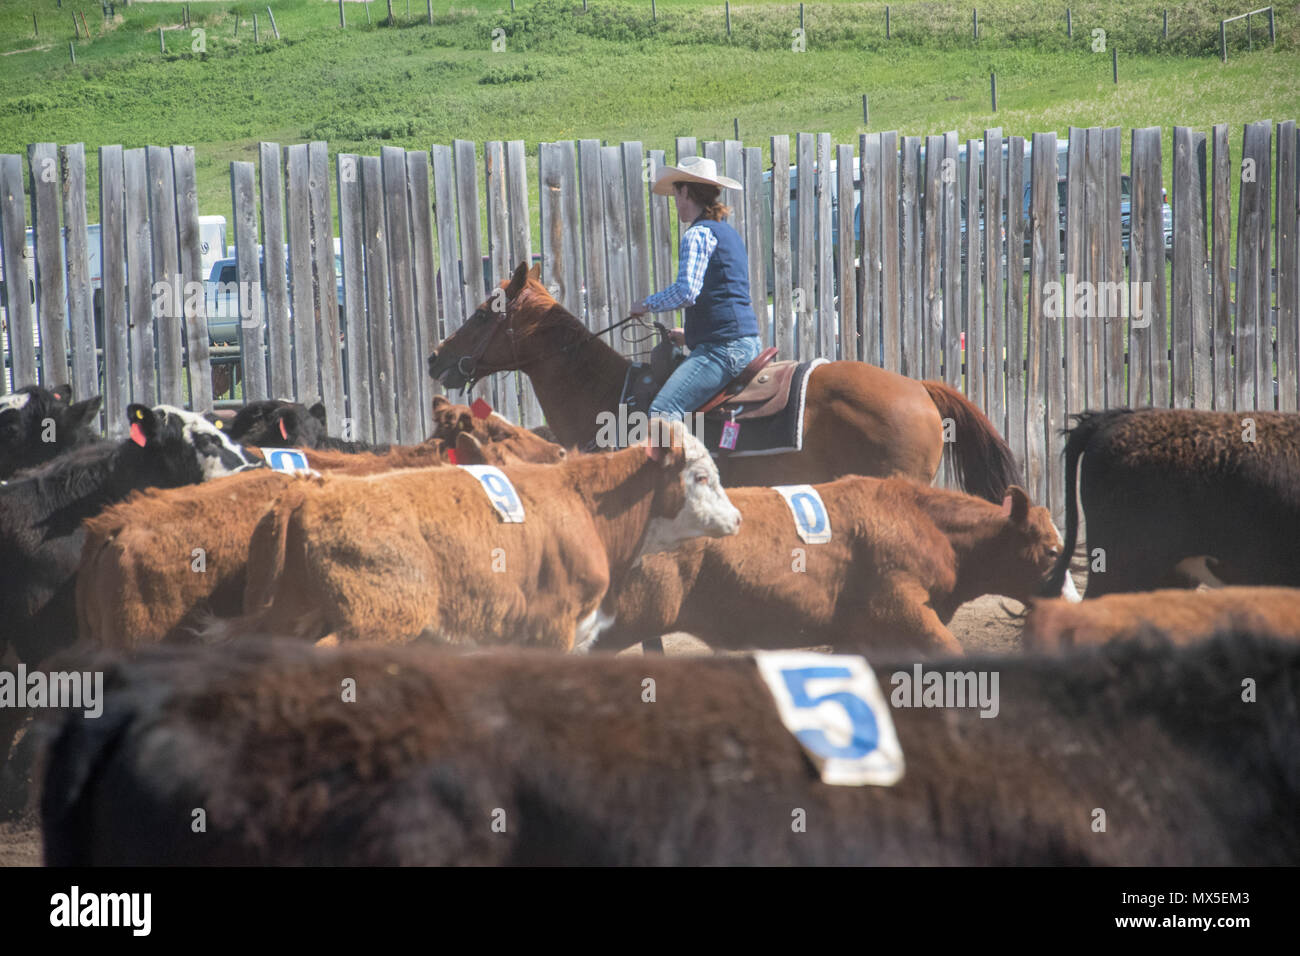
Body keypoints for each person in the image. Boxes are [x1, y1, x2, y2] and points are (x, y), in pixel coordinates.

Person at [629, 156, 762, 422]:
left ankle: (688, 465)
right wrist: (690, 335)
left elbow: (687, 291)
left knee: (661, 413)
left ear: (685, 191)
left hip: (723, 349)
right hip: (743, 343)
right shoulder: (726, 233)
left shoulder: (697, 234)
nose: (675, 203)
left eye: (675, 194)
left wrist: (646, 305)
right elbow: (722, 296)